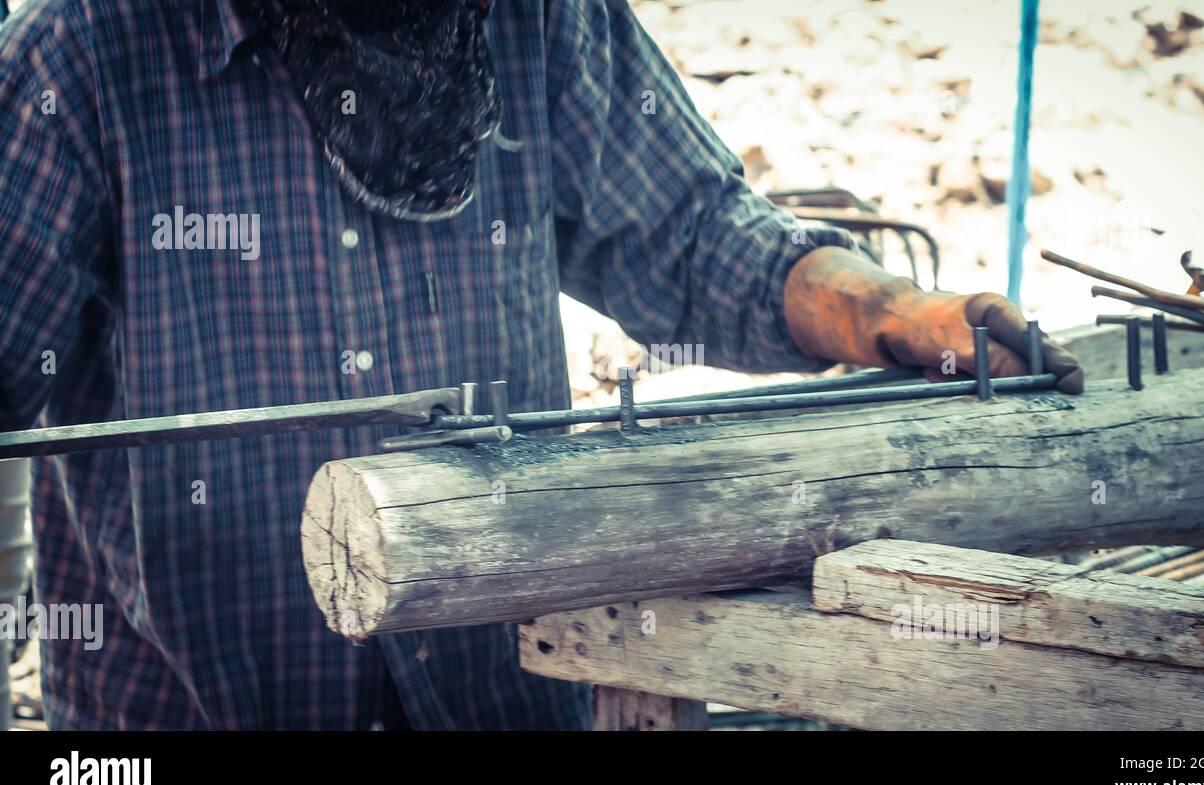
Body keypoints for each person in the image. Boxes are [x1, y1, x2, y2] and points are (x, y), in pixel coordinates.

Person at [0, 0, 1082, 730]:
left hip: (498, 691)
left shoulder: (532, 15)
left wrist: (889, 310)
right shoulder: (89, 51)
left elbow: (692, 230)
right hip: (183, 706)